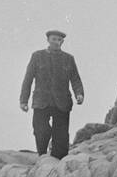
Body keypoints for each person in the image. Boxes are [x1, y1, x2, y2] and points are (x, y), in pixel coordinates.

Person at [19, 29, 84, 158]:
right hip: (41, 101)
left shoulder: (68, 59)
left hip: (62, 102)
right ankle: (42, 155)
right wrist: (23, 101)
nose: (56, 42)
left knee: (61, 135)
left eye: (59, 40)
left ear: (62, 42)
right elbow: (28, 79)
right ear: (48, 40)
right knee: (40, 130)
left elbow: (75, 79)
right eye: (53, 39)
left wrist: (79, 94)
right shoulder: (37, 56)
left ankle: (57, 159)